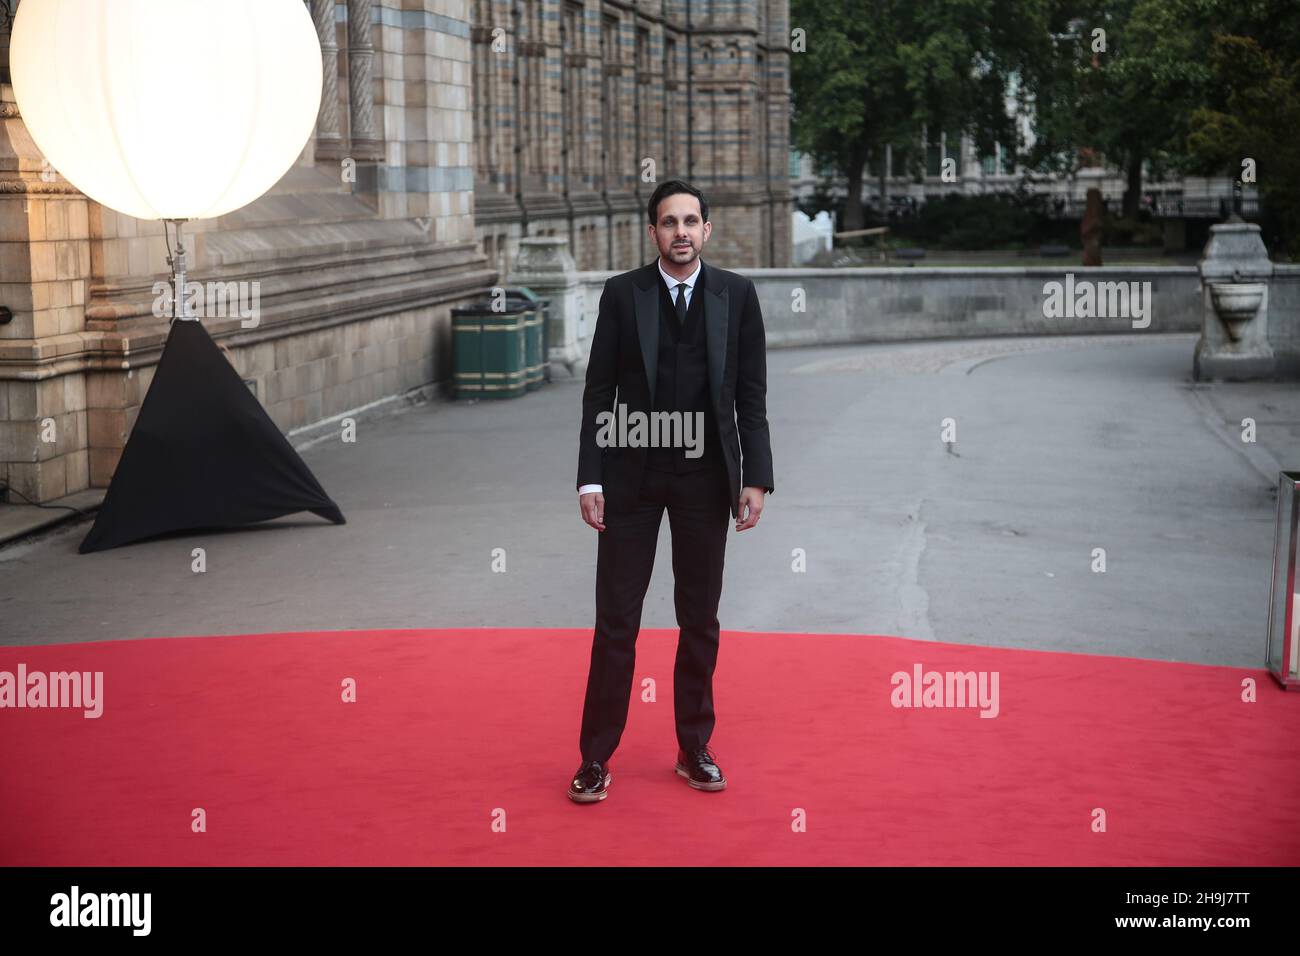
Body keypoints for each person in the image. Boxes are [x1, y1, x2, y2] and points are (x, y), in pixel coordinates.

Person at [569, 180, 774, 802]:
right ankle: (596, 758)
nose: (680, 231)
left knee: (699, 619)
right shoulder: (622, 295)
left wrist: (755, 478)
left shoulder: (736, 296)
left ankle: (693, 747)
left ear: (706, 230)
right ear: (652, 232)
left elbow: (750, 397)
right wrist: (591, 475)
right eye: (668, 222)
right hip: (631, 477)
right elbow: (599, 392)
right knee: (616, 623)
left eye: (690, 221)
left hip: (705, 481)